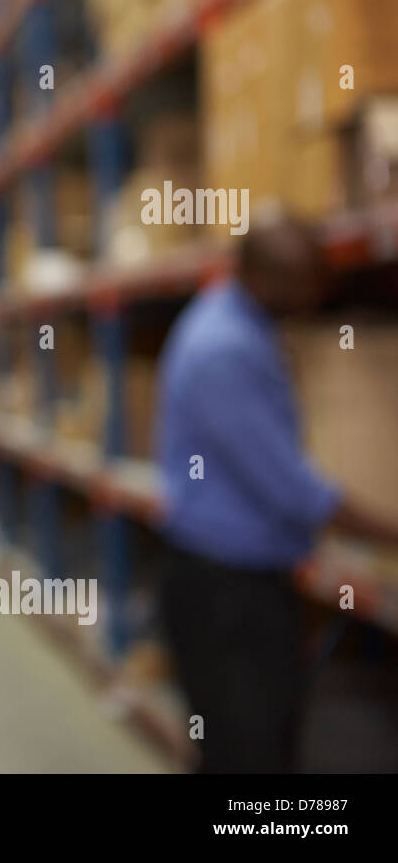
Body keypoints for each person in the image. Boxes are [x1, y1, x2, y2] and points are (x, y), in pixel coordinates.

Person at [154, 220, 398, 773]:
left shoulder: (238, 320)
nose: (316, 297)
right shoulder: (225, 349)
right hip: (226, 597)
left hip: (240, 583)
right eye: (303, 283)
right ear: (261, 279)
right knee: (248, 758)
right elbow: (293, 492)